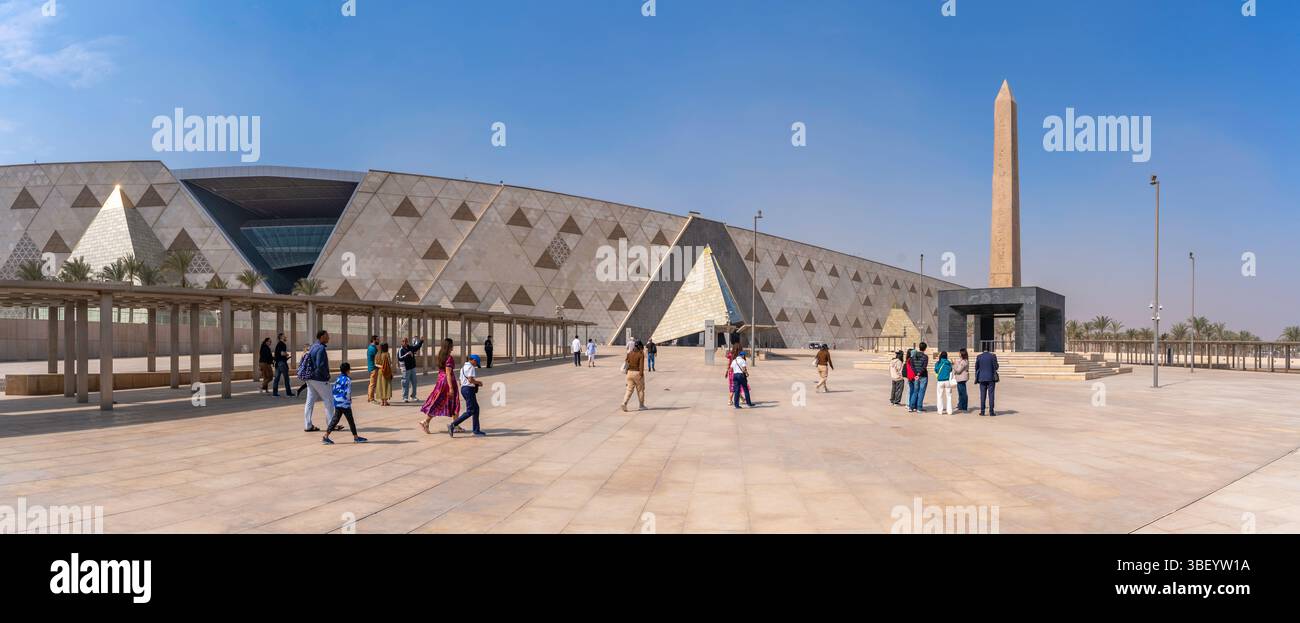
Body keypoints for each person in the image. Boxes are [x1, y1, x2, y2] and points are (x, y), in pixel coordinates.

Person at [419, 338, 461, 433]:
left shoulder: (441, 356)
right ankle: (456, 425)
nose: (453, 347)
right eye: (452, 345)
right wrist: (451, 388)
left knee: (438, 402)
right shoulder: (449, 358)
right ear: (449, 346)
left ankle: (426, 421)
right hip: (447, 383)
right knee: (455, 403)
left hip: (440, 382)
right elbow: (448, 373)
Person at [322, 362, 367, 445]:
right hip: (345, 403)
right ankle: (356, 438)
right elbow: (348, 392)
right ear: (348, 370)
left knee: (335, 420)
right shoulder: (348, 380)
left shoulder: (338, 379)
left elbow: (334, 390)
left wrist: (336, 399)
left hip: (338, 402)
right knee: (351, 420)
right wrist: (349, 400)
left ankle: (326, 436)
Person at [301, 330, 336, 432]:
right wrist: (326, 376)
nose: (328, 337)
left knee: (309, 402)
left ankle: (308, 425)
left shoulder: (313, 347)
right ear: (321, 337)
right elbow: (319, 365)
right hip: (319, 379)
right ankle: (331, 424)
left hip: (310, 378)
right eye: (326, 336)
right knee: (329, 400)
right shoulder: (320, 349)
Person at [449, 354, 485, 437]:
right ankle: (453, 425)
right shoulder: (471, 367)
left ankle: (476, 430)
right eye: (476, 363)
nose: (476, 365)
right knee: (471, 410)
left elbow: (460, 381)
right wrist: (478, 383)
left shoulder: (463, 368)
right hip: (468, 390)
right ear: (474, 361)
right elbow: (470, 379)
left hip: (464, 389)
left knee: (476, 408)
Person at [622, 341, 647, 412]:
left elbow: (626, 362)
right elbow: (641, 365)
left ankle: (624, 403)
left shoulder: (629, 353)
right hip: (637, 373)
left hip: (629, 373)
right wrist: (641, 374)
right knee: (640, 390)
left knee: (629, 389)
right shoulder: (640, 354)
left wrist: (627, 372)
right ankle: (641, 405)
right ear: (640, 347)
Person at [398, 335, 423, 402]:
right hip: (406, 369)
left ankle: (413, 396)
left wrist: (421, 341)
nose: (405, 342)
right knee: (405, 383)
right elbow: (400, 358)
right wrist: (407, 354)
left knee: (414, 382)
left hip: (413, 368)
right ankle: (405, 397)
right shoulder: (401, 350)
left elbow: (417, 347)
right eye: (404, 341)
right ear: (401, 342)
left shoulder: (410, 347)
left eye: (406, 341)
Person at [975, 347, 1000, 416]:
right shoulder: (993, 356)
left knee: (982, 395)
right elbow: (996, 367)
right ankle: (991, 411)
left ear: (983, 350)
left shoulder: (979, 356)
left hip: (982, 378)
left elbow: (976, 367)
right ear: (989, 350)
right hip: (991, 378)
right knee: (991, 395)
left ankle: (982, 411)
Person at [907, 343, 930, 413]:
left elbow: (912, 366)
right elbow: (924, 367)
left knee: (915, 391)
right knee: (921, 392)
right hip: (923, 376)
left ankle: (911, 407)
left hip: (916, 376)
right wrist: (919, 373)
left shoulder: (913, 357)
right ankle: (919, 407)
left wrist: (916, 374)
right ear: (925, 348)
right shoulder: (925, 357)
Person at [954, 348, 971, 413]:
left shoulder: (964, 361)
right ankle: (960, 405)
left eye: (959, 353)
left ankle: (964, 407)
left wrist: (953, 364)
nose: (959, 354)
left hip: (962, 379)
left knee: (963, 393)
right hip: (960, 378)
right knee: (960, 393)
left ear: (962, 353)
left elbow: (958, 370)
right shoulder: (963, 360)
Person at [365, 335, 380, 404]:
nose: (378, 341)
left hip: (372, 367)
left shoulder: (370, 347)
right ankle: (371, 398)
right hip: (373, 368)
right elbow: (378, 357)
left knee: (372, 383)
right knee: (372, 384)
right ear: (374, 340)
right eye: (377, 339)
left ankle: (370, 397)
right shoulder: (373, 348)